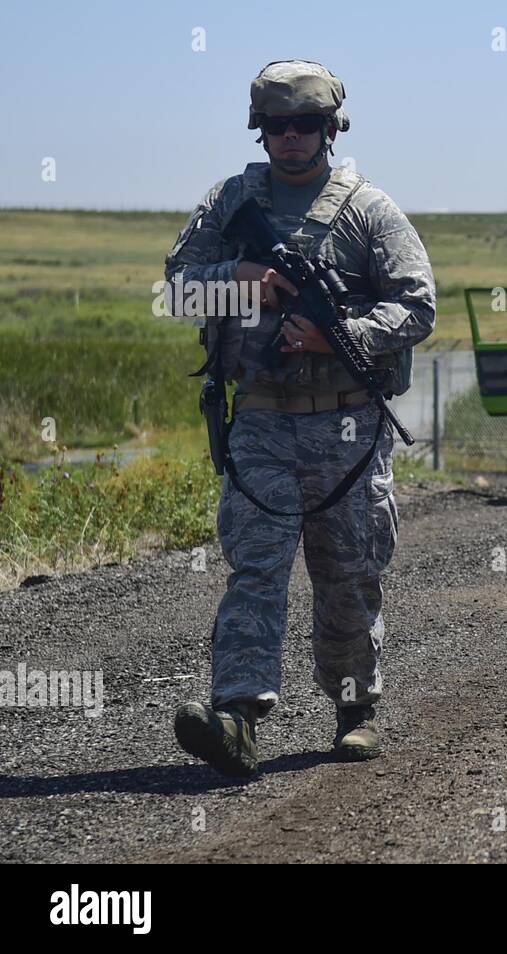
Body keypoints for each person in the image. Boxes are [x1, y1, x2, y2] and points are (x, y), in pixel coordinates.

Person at [165, 60, 435, 776]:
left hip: (346, 426)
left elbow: (418, 305)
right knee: (255, 570)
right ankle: (238, 719)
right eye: (278, 126)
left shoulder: (368, 209)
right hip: (259, 418)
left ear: (329, 129)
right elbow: (177, 292)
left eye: (306, 126)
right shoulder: (228, 205)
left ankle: (355, 709)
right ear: (260, 131)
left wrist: (339, 336)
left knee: (347, 574)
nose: (291, 138)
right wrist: (241, 280)